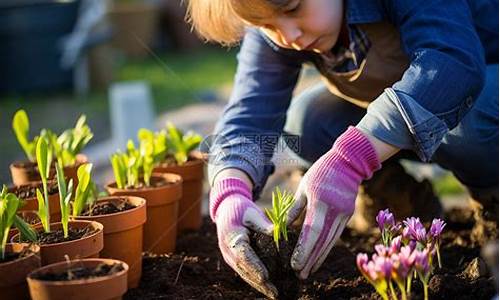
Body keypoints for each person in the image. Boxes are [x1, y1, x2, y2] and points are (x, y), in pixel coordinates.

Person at [186, 0, 499, 298]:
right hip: (403, 108)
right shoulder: (281, 25)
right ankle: (399, 201)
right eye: (267, 25)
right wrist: (230, 189)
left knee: (473, 125)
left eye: (295, 8)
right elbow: (249, 112)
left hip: (478, 80)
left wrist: (351, 159)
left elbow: (451, 64)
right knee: (306, 122)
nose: (290, 36)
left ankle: (492, 202)